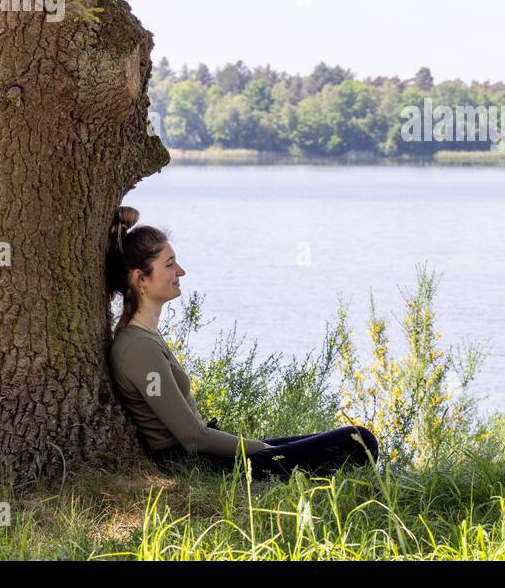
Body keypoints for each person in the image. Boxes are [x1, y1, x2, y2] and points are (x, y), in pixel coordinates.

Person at [104, 205, 379, 481]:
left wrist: (268, 449)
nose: (181, 271)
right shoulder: (138, 348)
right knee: (359, 440)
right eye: (170, 265)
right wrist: (263, 450)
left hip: (205, 457)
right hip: (199, 465)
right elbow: (192, 437)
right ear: (141, 279)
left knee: (328, 440)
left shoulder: (145, 336)